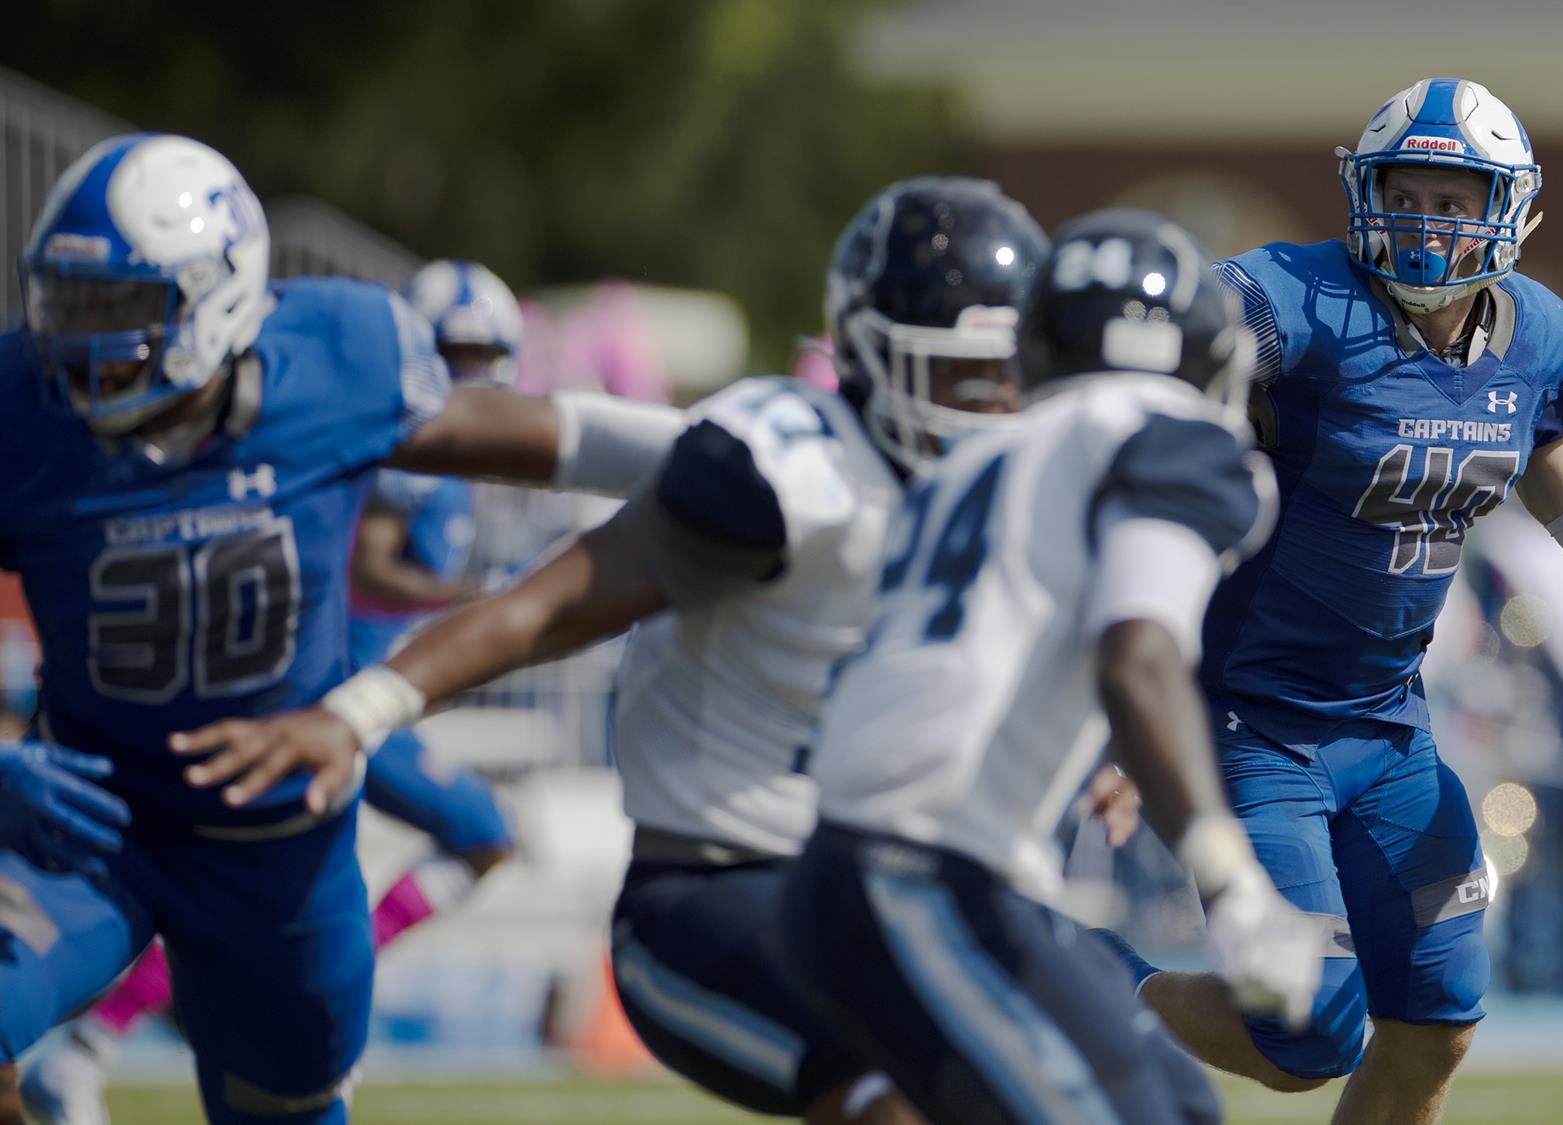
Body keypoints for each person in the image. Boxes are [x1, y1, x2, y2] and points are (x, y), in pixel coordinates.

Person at [156, 177, 1053, 1124]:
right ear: (876, 355)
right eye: (965, 373)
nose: (997, 404)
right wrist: (360, 708)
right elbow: (547, 550)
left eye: (1012, 374)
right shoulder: (788, 471)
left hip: (900, 891)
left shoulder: (1027, 502)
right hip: (724, 893)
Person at [0, 133, 681, 1125]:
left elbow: (551, 437)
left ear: (218, 298)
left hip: (278, 848)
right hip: (91, 831)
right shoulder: (22, 406)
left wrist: (740, 457)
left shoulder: (338, 365)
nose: (77, 337)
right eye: (64, 302)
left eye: (111, 309)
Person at [1091, 78, 1563, 1124]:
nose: (1423, 221)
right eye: (1405, 192)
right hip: (1251, 723)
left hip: (1388, 730)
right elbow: (1141, 461)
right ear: (1363, 190)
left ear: (1505, 211)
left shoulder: (1540, 348)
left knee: (1434, 1026)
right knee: (1307, 1035)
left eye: (1451, 198)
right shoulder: (1284, 307)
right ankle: (1090, 983)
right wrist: (1118, 712)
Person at [780, 209, 1324, 1125]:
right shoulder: (1172, 436)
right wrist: (1232, 884)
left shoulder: (978, 455)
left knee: (1181, 1103)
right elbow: (1137, 657)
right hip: (921, 871)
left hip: (871, 865)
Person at [20, 261, 528, 1122]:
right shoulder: (393, 447)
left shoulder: (451, 459)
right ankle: (90, 1044)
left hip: (366, 695)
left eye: (482, 353)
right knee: (477, 836)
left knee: (437, 853)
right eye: (454, 350)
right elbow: (366, 560)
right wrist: (461, 603)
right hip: (333, 697)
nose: (467, 370)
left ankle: (102, 1042)